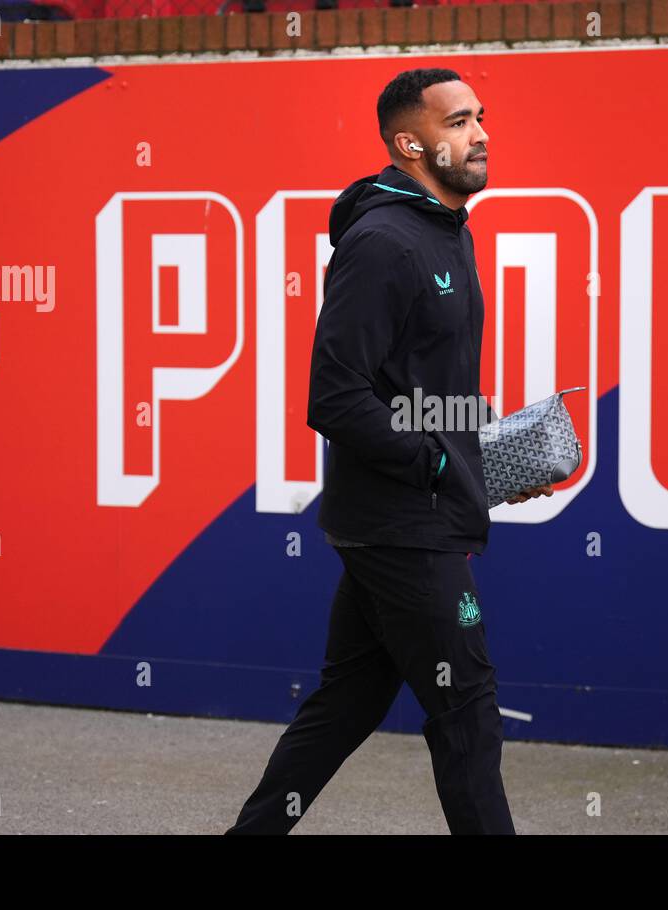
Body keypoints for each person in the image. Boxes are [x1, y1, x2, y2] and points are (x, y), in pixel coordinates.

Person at [225, 68, 551, 835]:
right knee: (467, 714)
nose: (480, 134)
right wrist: (438, 465)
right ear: (410, 143)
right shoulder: (382, 244)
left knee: (346, 707)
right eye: (459, 122)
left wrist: (488, 458)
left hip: (407, 519)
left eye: (481, 118)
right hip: (405, 528)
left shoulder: (443, 231)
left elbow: (416, 386)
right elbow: (335, 398)